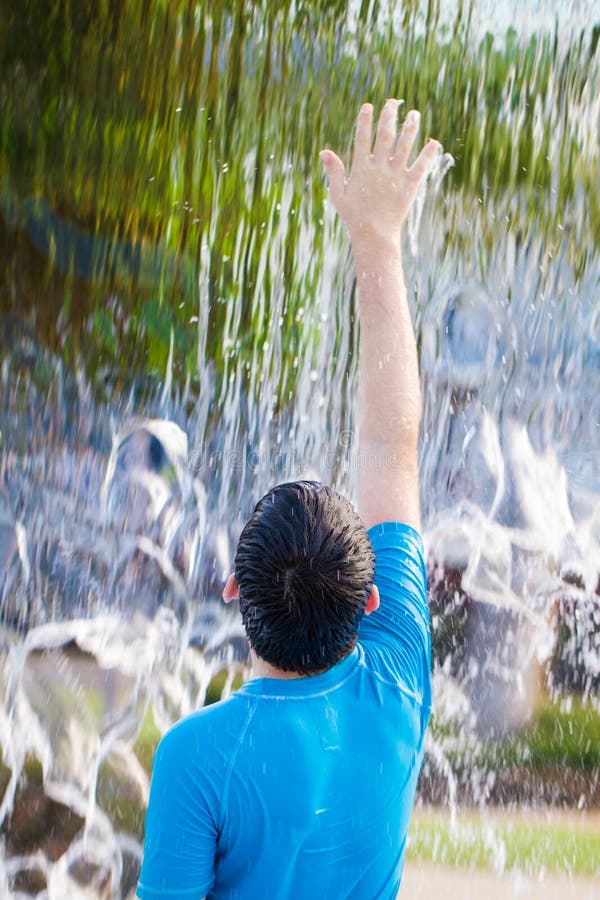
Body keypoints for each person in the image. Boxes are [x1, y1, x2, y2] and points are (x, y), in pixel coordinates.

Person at [137, 99, 441, 899]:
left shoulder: (197, 757)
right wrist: (378, 241)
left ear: (233, 590)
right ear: (373, 597)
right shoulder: (399, 678)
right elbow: (391, 441)